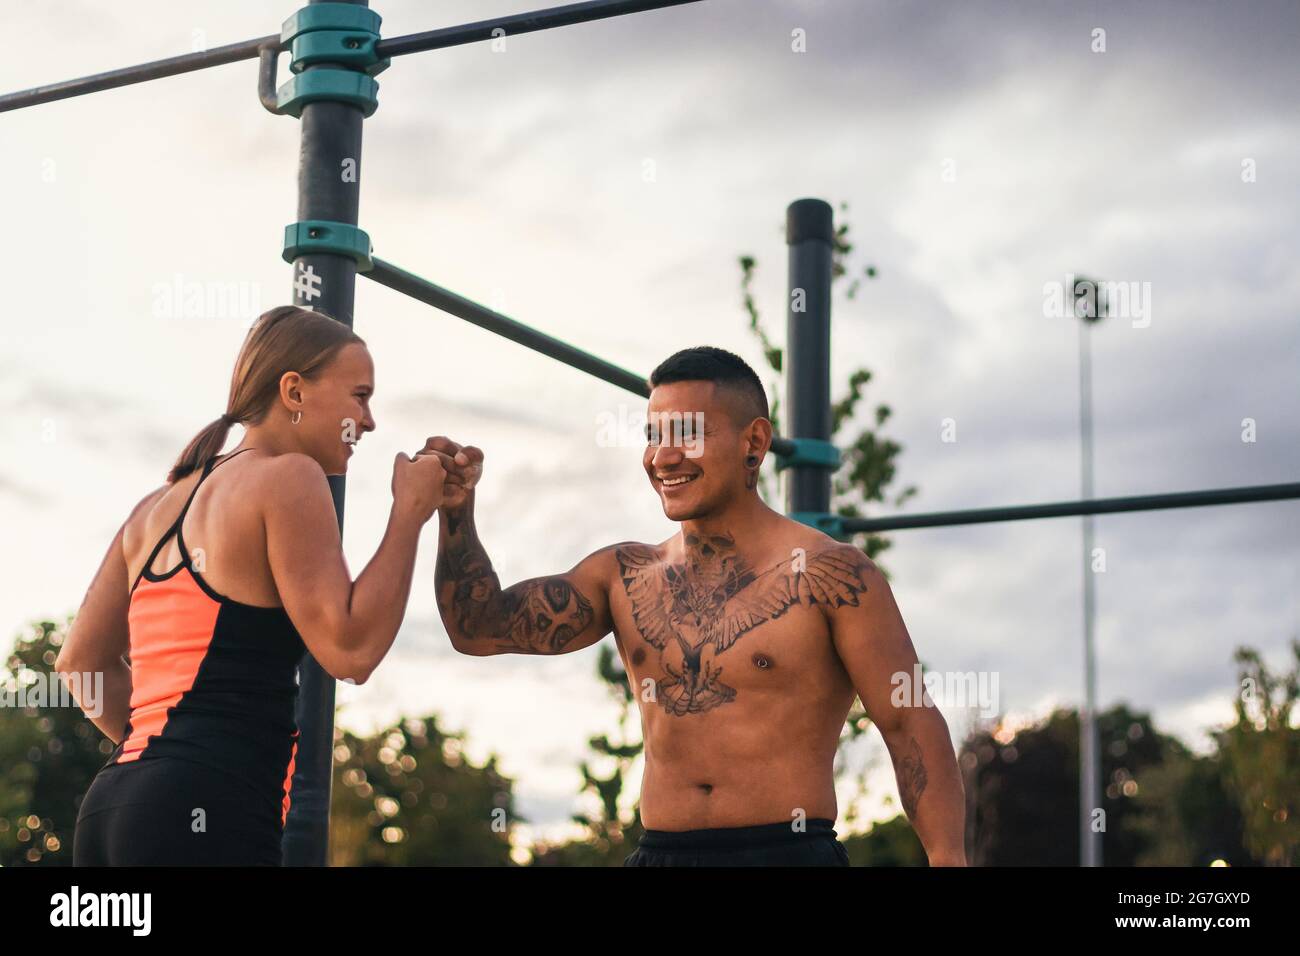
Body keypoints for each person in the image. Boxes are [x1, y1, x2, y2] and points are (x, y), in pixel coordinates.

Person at [427, 346, 967, 866]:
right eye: (653, 436)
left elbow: (907, 720)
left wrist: (947, 857)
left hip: (787, 853)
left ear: (753, 442)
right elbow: (477, 628)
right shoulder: (623, 573)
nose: (663, 457)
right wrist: (456, 512)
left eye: (687, 434)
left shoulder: (833, 573)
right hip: (661, 854)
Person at [57, 305, 453, 866]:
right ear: (293, 390)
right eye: (359, 396)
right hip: (205, 804)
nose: (368, 422)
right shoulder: (288, 477)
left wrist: (163, 752)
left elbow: (81, 667)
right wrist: (411, 512)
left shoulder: (153, 506)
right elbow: (351, 649)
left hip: (109, 809)